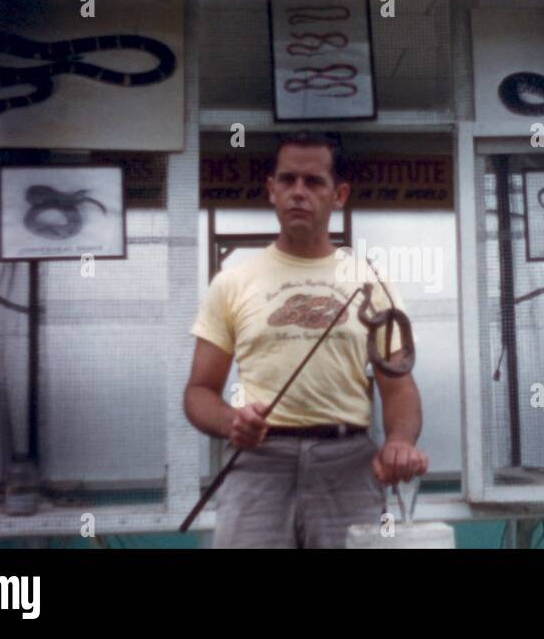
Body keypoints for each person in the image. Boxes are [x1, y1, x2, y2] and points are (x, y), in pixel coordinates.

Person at [183, 131, 428, 548]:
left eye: (313, 182)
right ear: (271, 191)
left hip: (348, 464)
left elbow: (399, 386)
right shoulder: (232, 282)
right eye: (287, 180)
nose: (298, 192)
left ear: (339, 195)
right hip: (256, 465)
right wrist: (232, 422)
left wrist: (399, 442)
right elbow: (198, 392)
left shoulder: (370, 281)